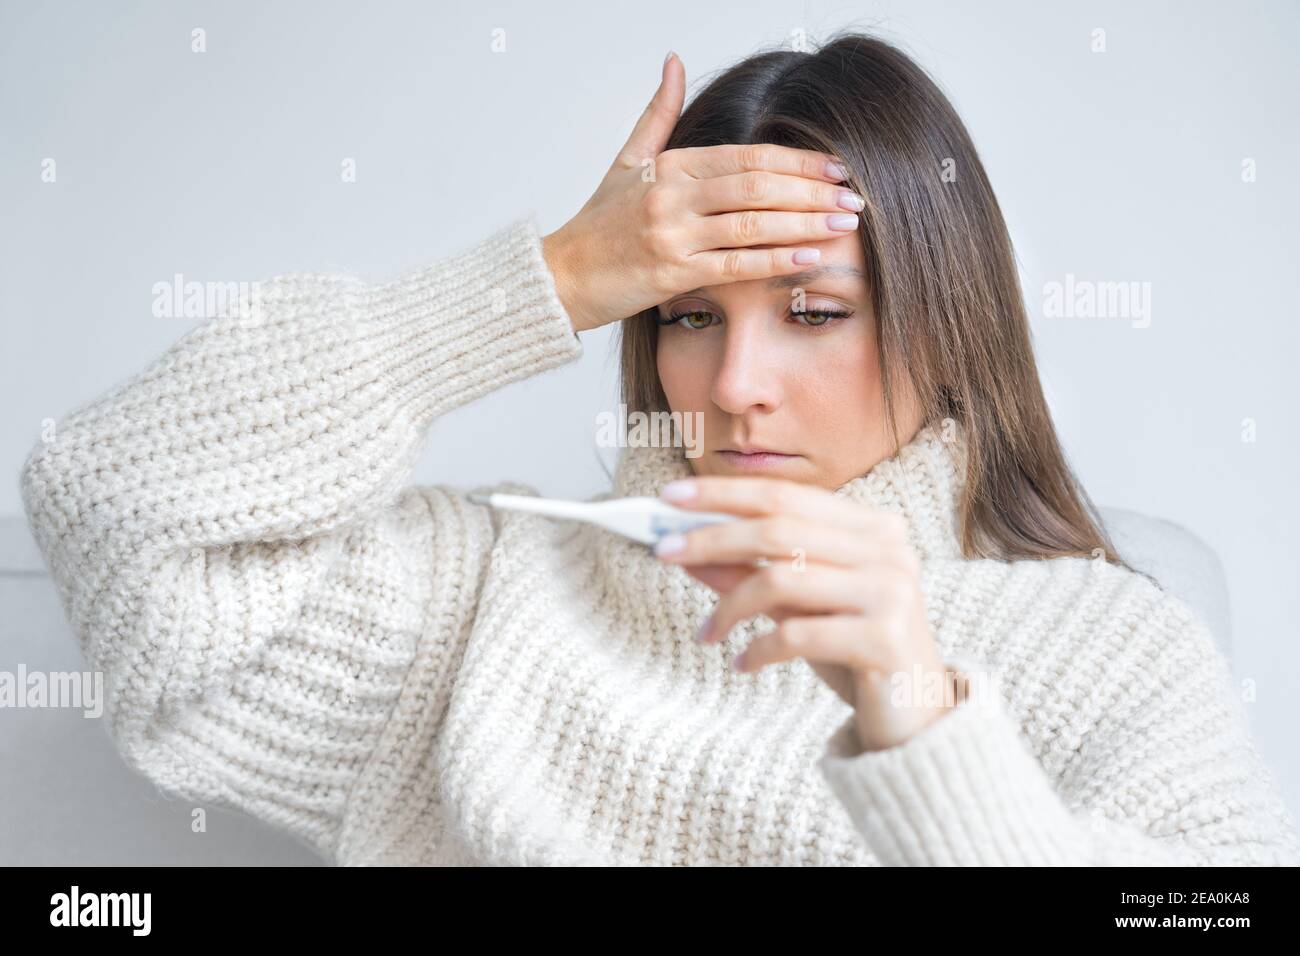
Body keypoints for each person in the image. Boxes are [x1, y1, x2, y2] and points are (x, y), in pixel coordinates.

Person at [21, 33, 1299, 866]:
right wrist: (554, 277)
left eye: (813, 313)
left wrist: (915, 718)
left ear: (950, 328)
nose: (735, 385)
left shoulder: (1118, 646)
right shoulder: (493, 598)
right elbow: (113, 498)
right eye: (686, 315)